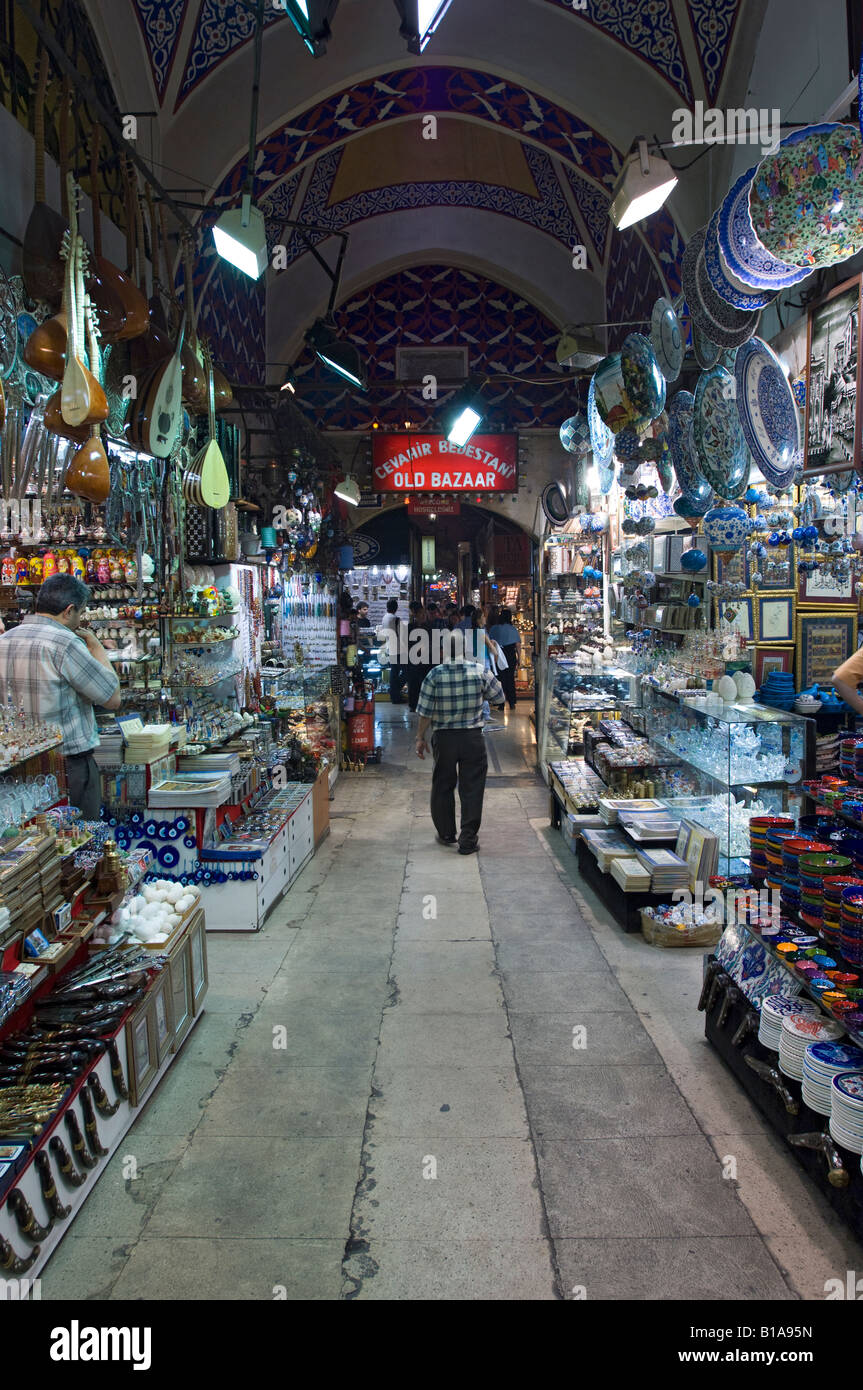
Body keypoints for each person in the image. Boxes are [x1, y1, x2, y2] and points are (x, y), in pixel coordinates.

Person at [0, 574, 121, 819]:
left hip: (16, 766)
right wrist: (96, 646)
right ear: (69, 611)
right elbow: (112, 697)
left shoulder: (5, 641)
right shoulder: (65, 643)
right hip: (68, 764)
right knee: (79, 839)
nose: (79, 621)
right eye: (80, 614)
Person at [415, 628, 504, 855]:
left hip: (444, 739)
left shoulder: (434, 675)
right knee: (472, 787)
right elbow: (500, 697)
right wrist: (480, 696)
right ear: (465, 650)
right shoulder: (479, 671)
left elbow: (424, 712)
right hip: (472, 738)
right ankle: (467, 839)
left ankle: (446, 833)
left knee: (442, 785)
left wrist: (419, 738)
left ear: (444, 649)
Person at [489, 607, 521, 710]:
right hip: (510, 655)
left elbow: (490, 643)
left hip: (498, 655)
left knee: (500, 679)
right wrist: (519, 658)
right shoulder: (513, 629)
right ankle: (512, 702)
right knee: (510, 678)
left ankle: (501, 703)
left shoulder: (494, 628)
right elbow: (518, 645)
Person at [378, 597, 407, 704]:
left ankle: (394, 695)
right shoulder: (396, 619)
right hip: (399, 649)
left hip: (390, 648)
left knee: (394, 673)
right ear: (396, 608)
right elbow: (403, 634)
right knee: (406, 672)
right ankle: (394, 691)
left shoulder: (385, 618)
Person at [406, 600, 431, 713]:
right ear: (415, 615)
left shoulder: (429, 627)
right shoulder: (410, 627)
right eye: (421, 613)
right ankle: (413, 704)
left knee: (425, 682)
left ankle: (425, 704)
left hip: (426, 659)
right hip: (414, 659)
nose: (423, 616)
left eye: (424, 613)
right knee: (414, 683)